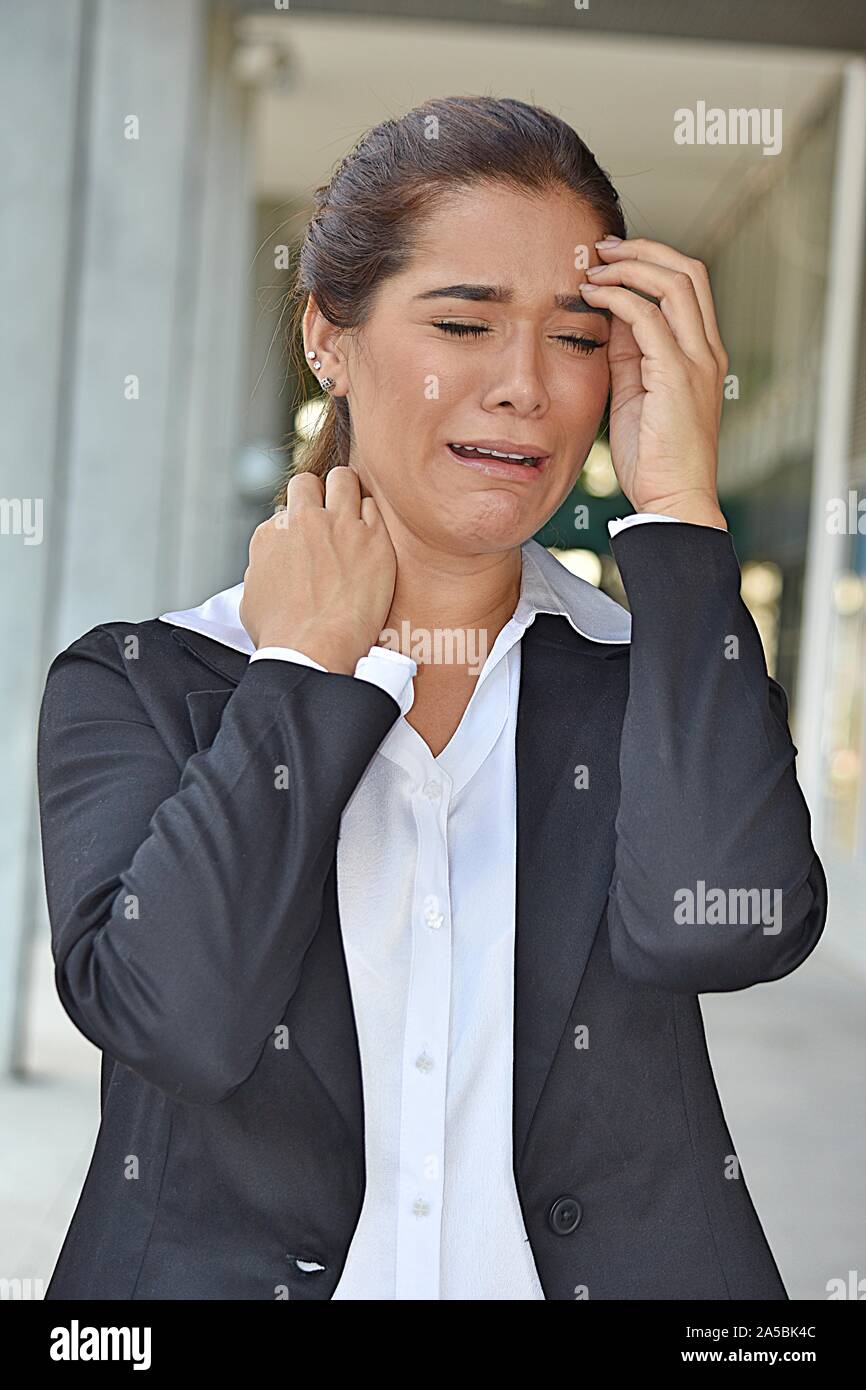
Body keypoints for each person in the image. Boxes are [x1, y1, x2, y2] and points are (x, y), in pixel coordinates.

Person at [36, 95, 826, 1301]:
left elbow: (724, 924)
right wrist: (301, 674)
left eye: (573, 339)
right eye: (462, 322)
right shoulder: (144, 683)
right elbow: (176, 1022)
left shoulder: (650, 666)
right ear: (328, 340)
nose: (524, 387)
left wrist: (678, 513)